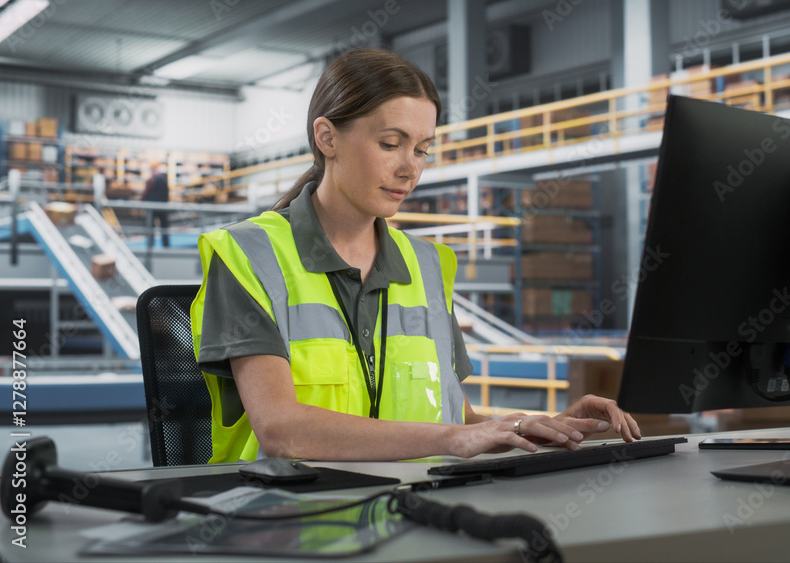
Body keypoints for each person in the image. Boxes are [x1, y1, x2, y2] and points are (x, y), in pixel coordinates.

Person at [190, 48, 640, 463]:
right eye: (390, 144)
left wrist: (540, 428)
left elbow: (457, 421)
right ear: (327, 138)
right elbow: (282, 432)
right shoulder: (249, 256)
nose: (410, 168)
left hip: (413, 515)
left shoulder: (426, 267)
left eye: (422, 149)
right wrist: (452, 440)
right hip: (286, 526)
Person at [142, 165, 170, 248]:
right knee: (164, 227)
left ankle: (150, 245)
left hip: (152, 208)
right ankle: (166, 246)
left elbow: (145, 193)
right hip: (162, 207)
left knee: (150, 227)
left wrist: (142, 202)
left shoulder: (151, 180)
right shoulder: (164, 180)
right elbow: (167, 193)